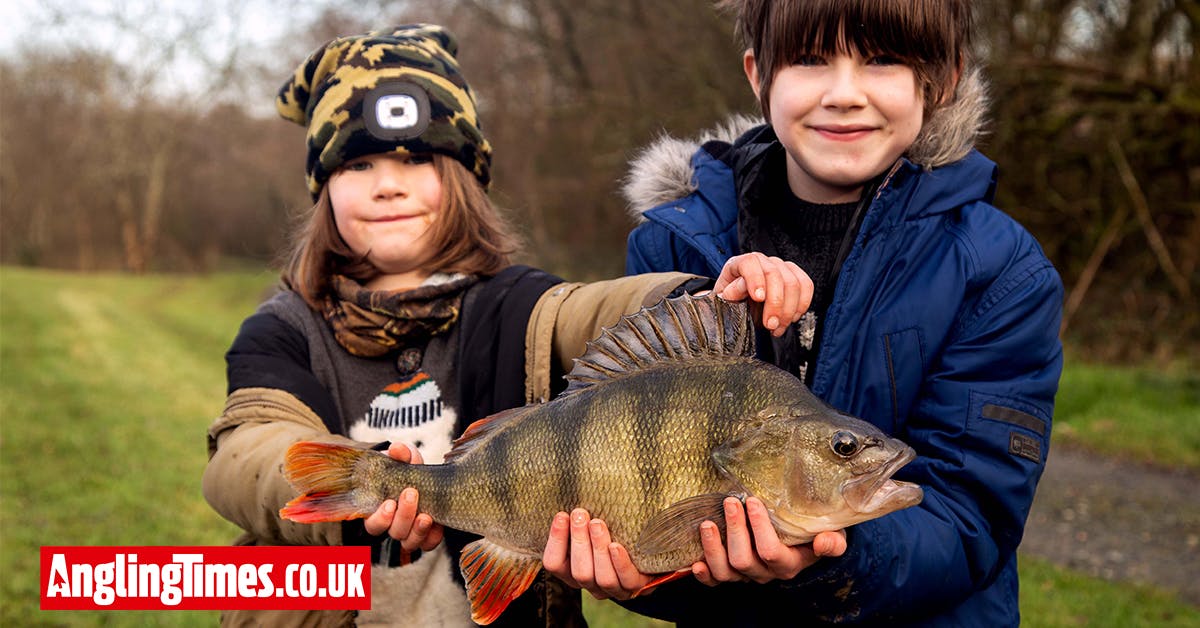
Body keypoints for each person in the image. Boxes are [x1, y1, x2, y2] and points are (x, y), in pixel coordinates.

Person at [543, 1, 1064, 625]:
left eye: (882, 60)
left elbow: (969, 522)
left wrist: (828, 560)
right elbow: (636, 484)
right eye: (811, 59)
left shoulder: (999, 270)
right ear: (758, 74)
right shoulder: (670, 244)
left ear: (943, 78)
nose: (844, 94)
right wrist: (636, 575)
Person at [201, 24, 724, 627]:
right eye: (359, 163)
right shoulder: (279, 332)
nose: (388, 184)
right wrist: (354, 499)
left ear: (465, 180)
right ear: (324, 189)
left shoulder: (516, 306)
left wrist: (699, 302)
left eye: (417, 158)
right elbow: (245, 453)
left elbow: (592, 313)